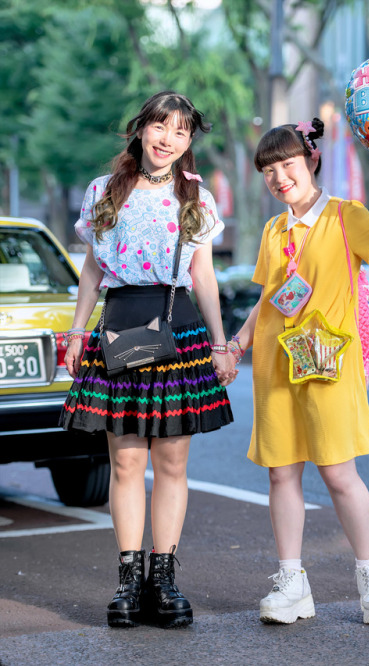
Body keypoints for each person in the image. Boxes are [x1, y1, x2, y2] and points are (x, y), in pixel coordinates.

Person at [59, 91, 237, 629]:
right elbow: (92, 269)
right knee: (126, 463)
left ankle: (165, 580)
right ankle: (128, 582)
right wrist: (75, 330)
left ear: (188, 142)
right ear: (141, 129)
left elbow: (203, 275)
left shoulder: (196, 197)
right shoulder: (103, 190)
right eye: (161, 127)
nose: (168, 139)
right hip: (119, 324)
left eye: (181, 132)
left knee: (172, 464)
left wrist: (221, 342)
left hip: (176, 324)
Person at [227, 118, 369, 625]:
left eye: (286, 164)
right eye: (268, 169)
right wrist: (237, 344)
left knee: (337, 473)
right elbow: (269, 300)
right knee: (281, 472)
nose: (278, 176)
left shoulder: (345, 216)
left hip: (330, 363)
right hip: (276, 363)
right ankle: (291, 584)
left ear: (310, 161)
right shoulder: (273, 230)